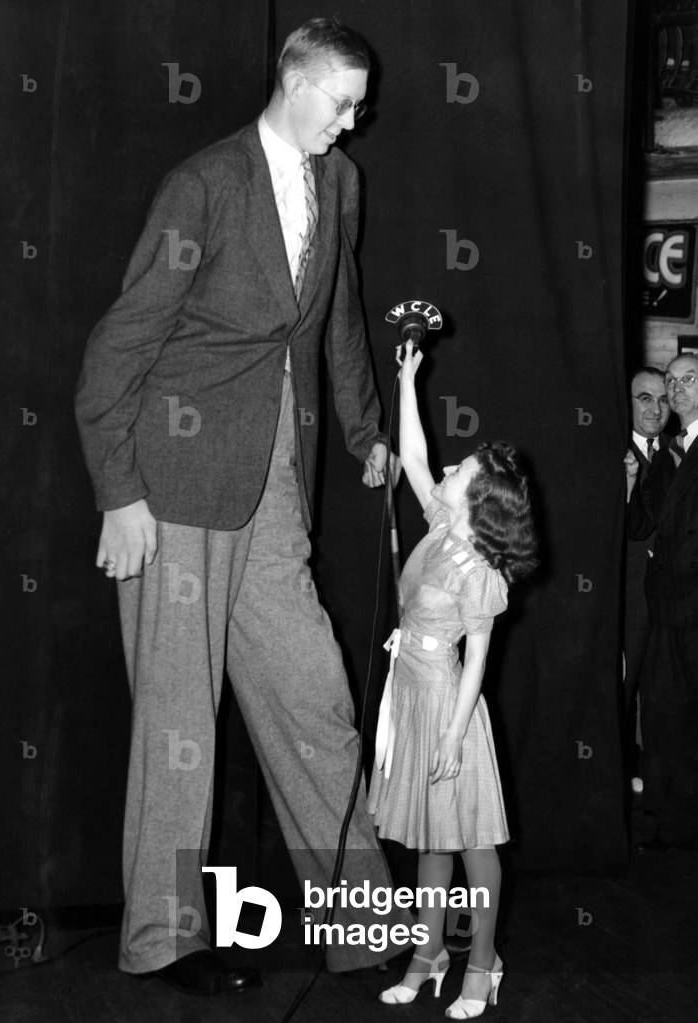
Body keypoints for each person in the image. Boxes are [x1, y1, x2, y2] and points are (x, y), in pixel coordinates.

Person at [75, 17, 412, 995]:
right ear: (293, 83)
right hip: (173, 482)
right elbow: (117, 344)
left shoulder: (338, 184)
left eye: (359, 106)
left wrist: (364, 435)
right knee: (180, 723)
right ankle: (163, 941)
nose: (352, 124)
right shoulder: (206, 183)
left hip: (272, 486)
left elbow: (338, 316)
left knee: (314, 698)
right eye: (341, 102)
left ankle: (358, 921)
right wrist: (119, 495)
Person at [367, 341, 538, 1018]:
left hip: (448, 706)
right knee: (427, 836)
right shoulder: (443, 524)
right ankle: (427, 951)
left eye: (457, 468)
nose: (444, 466)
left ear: (475, 496)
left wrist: (453, 733)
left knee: (471, 844)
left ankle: (482, 963)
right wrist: (407, 380)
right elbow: (410, 456)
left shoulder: (480, 571)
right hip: (408, 690)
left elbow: (479, 661)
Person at [627, 352, 698, 850]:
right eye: (671, 381)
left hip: (689, 607)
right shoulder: (677, 449)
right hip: (670, 609)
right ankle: (673, 816)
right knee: (667, 714)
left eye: (688, 380)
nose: (676, 391)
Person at [622, 368, 671, 789]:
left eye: (662, 399)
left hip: (670, 595)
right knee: (625, 680)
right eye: (644, 398)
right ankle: (621, 767)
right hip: (630, 592)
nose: (655, 408)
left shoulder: (678, 454)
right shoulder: (615, 455)